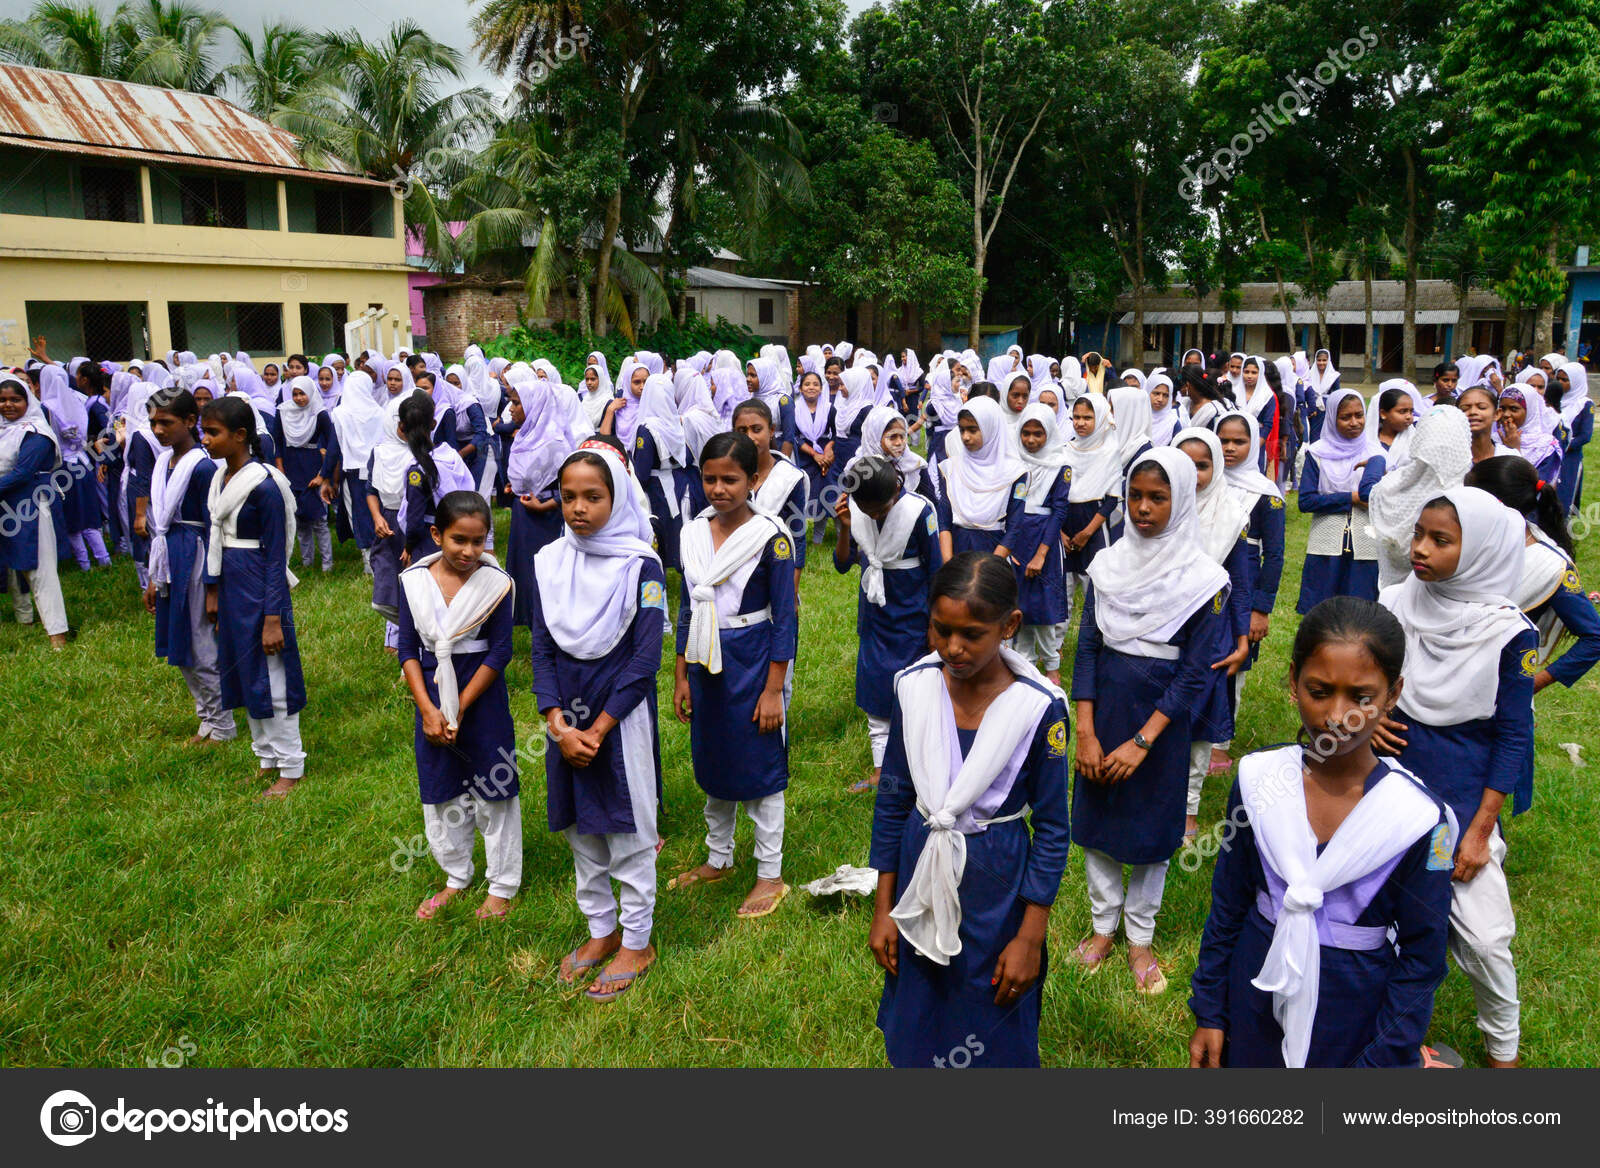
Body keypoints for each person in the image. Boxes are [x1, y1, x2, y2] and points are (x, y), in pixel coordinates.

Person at [1188, 597, 1454, 1067]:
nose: (1337, 715)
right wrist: (1210, 1010)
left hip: (1353, 1014)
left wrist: (1385, 1055)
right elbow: (1228, 903)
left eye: (1362, 697)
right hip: (1253, 993)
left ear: (1393, 695)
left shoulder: (1418, 819)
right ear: (1292, 683)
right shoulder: (1259, 782)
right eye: (1319, 690)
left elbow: (1422, 956)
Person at [868, 552, 1071, 1068]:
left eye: (972, 634)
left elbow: (1051, 829)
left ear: (1010, 626)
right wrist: (884, 908)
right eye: (940, 630)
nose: (952, 648)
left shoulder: (1038, 708)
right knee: (919, 1013)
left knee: (991, 1010)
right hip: (921, 865)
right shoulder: (914, 687)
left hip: (995, 883)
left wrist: (1030, 935)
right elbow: (893, 797)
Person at [1377, 486, 1536, 1068]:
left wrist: (1478, 829)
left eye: (1440, 540)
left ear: (1482, 552)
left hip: (1461, 800)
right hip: (1393, 788)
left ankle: (1503, 1050)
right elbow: (1369, 683)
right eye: (1418, 534)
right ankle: (1396, 1035)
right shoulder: (1396, 602)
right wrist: (1370, 724)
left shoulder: (1507, 633)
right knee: (1389, 923)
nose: (1419, 548)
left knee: (1484, 936)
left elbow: (1512, 737)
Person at [1070, 447, 1230, 993]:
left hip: (1160, 725)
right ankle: (1101, 926)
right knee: (1099, 820)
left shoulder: (1205, 580)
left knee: (1151, 828)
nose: (1142, 508)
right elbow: (1088, 647)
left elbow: (1195, 673)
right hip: (1107, 707)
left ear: (1181, 500)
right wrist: (1086, 731)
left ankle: (1140, 935)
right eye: (1135, 496)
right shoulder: (1108, 565)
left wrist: (1143, 741)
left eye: (1157, 498)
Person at [532, 440, 665, 1000]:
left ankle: (638, 939)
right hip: (567, 723)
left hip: (619, 719)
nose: (578, 508)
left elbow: (645, 658)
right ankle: (601, 931)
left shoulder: (642, 565)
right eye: (568, 497)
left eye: (593, 496)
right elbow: (541, 648)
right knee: (581, 829)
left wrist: (599, 727)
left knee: (628, 833)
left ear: (618, 497)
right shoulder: (550, 562)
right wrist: (557, 723)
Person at [669, 432, 798, 919]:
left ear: (754, 479)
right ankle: (718, 857)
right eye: (709, 479)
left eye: (731, 479)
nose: (719, 489)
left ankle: (770, 873)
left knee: (760, 767)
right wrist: (681, 673)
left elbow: (784, 619)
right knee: (714, 760)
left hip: (752, 659)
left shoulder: (771, 537)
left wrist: (772, 690)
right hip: (705, 662)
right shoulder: (693, 533)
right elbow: (688, 606)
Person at [398, 492, 520, 923]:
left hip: (481, 696)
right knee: (441, 783)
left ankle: (502, 883)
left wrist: (461, 706)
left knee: (494, 784)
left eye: (478, 541)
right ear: (436, 535)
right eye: (458, 540)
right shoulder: (413, 580)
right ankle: (456, 874)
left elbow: (501, 651)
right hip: (431, 692)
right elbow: (408, 650)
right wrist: (431, 711)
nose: (469, 552)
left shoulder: (497, 583)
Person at [199, 396, 305, 797]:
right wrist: (214, 592)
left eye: (214, 433)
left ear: (240, 436)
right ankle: (265, 756)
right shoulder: (219, 479)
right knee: (244, 672)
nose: (206, 440)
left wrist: (273, 616)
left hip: (260, 587)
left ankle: (291, 765)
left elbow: (276, 556)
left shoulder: (264, 488)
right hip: (232, 586)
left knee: (273, 677)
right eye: (204, 432)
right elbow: (216, 538)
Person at [833, 456, 944, 794]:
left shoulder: (920, 511)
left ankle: (921, 769)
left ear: (897, 488)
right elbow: (841, 564)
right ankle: (882, 769)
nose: (876, 517)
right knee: (876, 689)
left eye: (881, 511)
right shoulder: (857, 511)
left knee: (916, 690)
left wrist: (935, 625)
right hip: (875, 614)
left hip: (911, 611)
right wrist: (845, 527)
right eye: (870, 512)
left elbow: (936, 569)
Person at [1173, 427, 1253, 843]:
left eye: (1202, 466)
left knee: (1199, 723)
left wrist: (1242, 641)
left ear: (1216, 467)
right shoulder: (1157, 508)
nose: (1193, 474)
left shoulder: (1230, 515)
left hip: (1212, 630)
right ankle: (1158, 798)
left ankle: (1188, 806)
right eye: (1183, 465)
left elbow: (1239, 581)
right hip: (1163, 630)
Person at [1465, 456, 1600, 695]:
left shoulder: (1549, 566)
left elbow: (1594, 637)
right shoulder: (1454, 541)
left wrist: (1532, 683)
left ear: (1495, 503)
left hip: (1497, 692)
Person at [143, 389, 233, 744]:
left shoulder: (202, 468)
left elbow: (215, 526)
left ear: (190, 422)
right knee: (179, 640)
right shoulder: (164, 463)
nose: (158, 429)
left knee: (200, 642)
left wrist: (212, 585)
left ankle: (223, 723)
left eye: (166, 422)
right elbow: (160, 525)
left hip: (193, 555)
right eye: (153, 422)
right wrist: (154, 578)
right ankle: (207, 718)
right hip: (170, 556)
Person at [1212, 411, 1287, 772]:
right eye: (1223, 440)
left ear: (1255, 443)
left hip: (1243, 590)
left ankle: (1220, 742)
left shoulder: (1266, 495)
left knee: (1234, 664)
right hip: (1207, 586)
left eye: (1238, 442)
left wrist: (1260, 608)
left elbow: (1274, 555)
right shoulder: (1205, 481)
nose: (1229, 448)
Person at [1000, 403, 1074, 685]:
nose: (1030, 440)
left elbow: (1059, 511)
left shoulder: (1060, 465)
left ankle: (1052, 668)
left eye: (1038, 434)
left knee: (1043, 608)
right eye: (1026, 433)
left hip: (1044, 539)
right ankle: (1023, 664)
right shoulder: (1014, 462)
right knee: (1019, 604)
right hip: (1017, 537)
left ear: (1049, 434)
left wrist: (1042, 553)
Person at [1297, 389, 1386, 611]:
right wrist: (1352, 498)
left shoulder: (1378, 454)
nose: (1354, 422)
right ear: (1332, 419)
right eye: (1345, 417)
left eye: (1359, 415)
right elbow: (1306, 501)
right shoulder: (1317, 454)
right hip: (1326, 545)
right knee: (1322, 611)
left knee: (1361, 612)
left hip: (1367, 544)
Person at [0, 373, 70, 647]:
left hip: (28, 505)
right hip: (5, 501)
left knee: (39, 569)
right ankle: (24, 618)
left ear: (27, 400)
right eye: (3, 400)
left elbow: (23, 472)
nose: (8, 405)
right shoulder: (4, 429)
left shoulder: (37, 433)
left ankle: (57, 635)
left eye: (15, 399)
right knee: (11, 563)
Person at [503, 368, 574, 629]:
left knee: (543, 571)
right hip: (524, 511)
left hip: (546, 517)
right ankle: (528, 616)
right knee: (523, 566)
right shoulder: (525, 436)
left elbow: (569, 489)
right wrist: (516, 486)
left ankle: (546, 623)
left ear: (534, 406)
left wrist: (545, 503)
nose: (511, 409)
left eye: (516, 403)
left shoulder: (555, 443)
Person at [934, 397, 1025, 560]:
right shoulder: (951, 469)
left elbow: (1014, 527)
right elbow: (944, 522)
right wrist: (948, 564)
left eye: (972, 430)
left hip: (994, 553)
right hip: (957, 551)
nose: (965, 437)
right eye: (962, 430)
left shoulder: (1013, 472)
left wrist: (991, 567)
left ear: (990, 429)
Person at [734, 399, 809, 588]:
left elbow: (796, 537)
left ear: (772, 430)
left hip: (775, 571)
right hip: (732, 570)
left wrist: (791, 592)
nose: (750, 437)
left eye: (756, 429)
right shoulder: (726, 473)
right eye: (742, 431)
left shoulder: (789, 477)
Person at [398, 392, 475, 566]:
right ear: (433, 424)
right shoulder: (450, 455)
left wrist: (409, 546)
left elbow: (415, 518)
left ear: (401, 427)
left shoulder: (416, 471)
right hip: (458, 534)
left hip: (428, 542)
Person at [271, 375, 338, 573]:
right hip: (291, 469)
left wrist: (323, 475)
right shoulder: (283, 412)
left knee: (319, 520)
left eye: (302, 394)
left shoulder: (319, 413)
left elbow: (333, 443)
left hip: (312, 467)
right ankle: (307, 561)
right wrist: (280, 470)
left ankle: (327, 564)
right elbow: (278, 442)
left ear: (310, 393)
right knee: (299, 518)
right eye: (295, 394)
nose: (299, 398)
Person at [1060, 395, 1119, 615]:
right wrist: (1060, 533)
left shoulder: (1110, 452)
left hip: (1093, 528)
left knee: (1095, 591)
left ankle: (1091, 642)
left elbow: (1111, 499)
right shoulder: (1064, 450)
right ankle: (1056, 646)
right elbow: (1054, 494)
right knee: (1062, 589)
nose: (1080, 423)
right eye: (1076, 417)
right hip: (1064, 525)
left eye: (1087, 417)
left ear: (1101, 419)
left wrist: (1087, 533)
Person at [791, 369, 834, 543]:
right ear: (800, 388)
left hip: (826, 457)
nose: (811, 387)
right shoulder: (794, 408)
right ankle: (797, 535)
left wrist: (829, 450)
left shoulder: (830, 408)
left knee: (824, 495)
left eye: (815, 384)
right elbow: (793, 435)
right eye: (807, 384)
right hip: (804, 456)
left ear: (821, 388)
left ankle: (818, 537)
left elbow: (837, 433)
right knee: (803, 495)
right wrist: (813, 454)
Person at [1550, 362, 1592, 513]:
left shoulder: (1584, 404)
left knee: (1565, 491)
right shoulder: (1553, 400)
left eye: (1565, 380)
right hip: (1551, 453)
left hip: (1570, 457)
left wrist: (1564, 445)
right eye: (1558, 379)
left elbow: (1586, 436)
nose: (1560, 383)